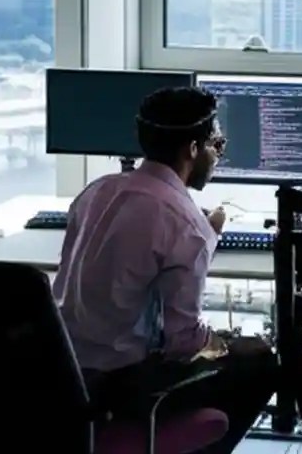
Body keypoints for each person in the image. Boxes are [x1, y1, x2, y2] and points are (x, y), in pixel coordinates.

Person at [52, 86, 278, 451]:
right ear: (193, 148)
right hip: (118, 386)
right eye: (216, 145)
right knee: (261, 364)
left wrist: (204, 235)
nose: (217, 156)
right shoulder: (186, 224)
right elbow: (183, 342)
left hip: (62, 370)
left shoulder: (96, 192)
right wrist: (229, 342)